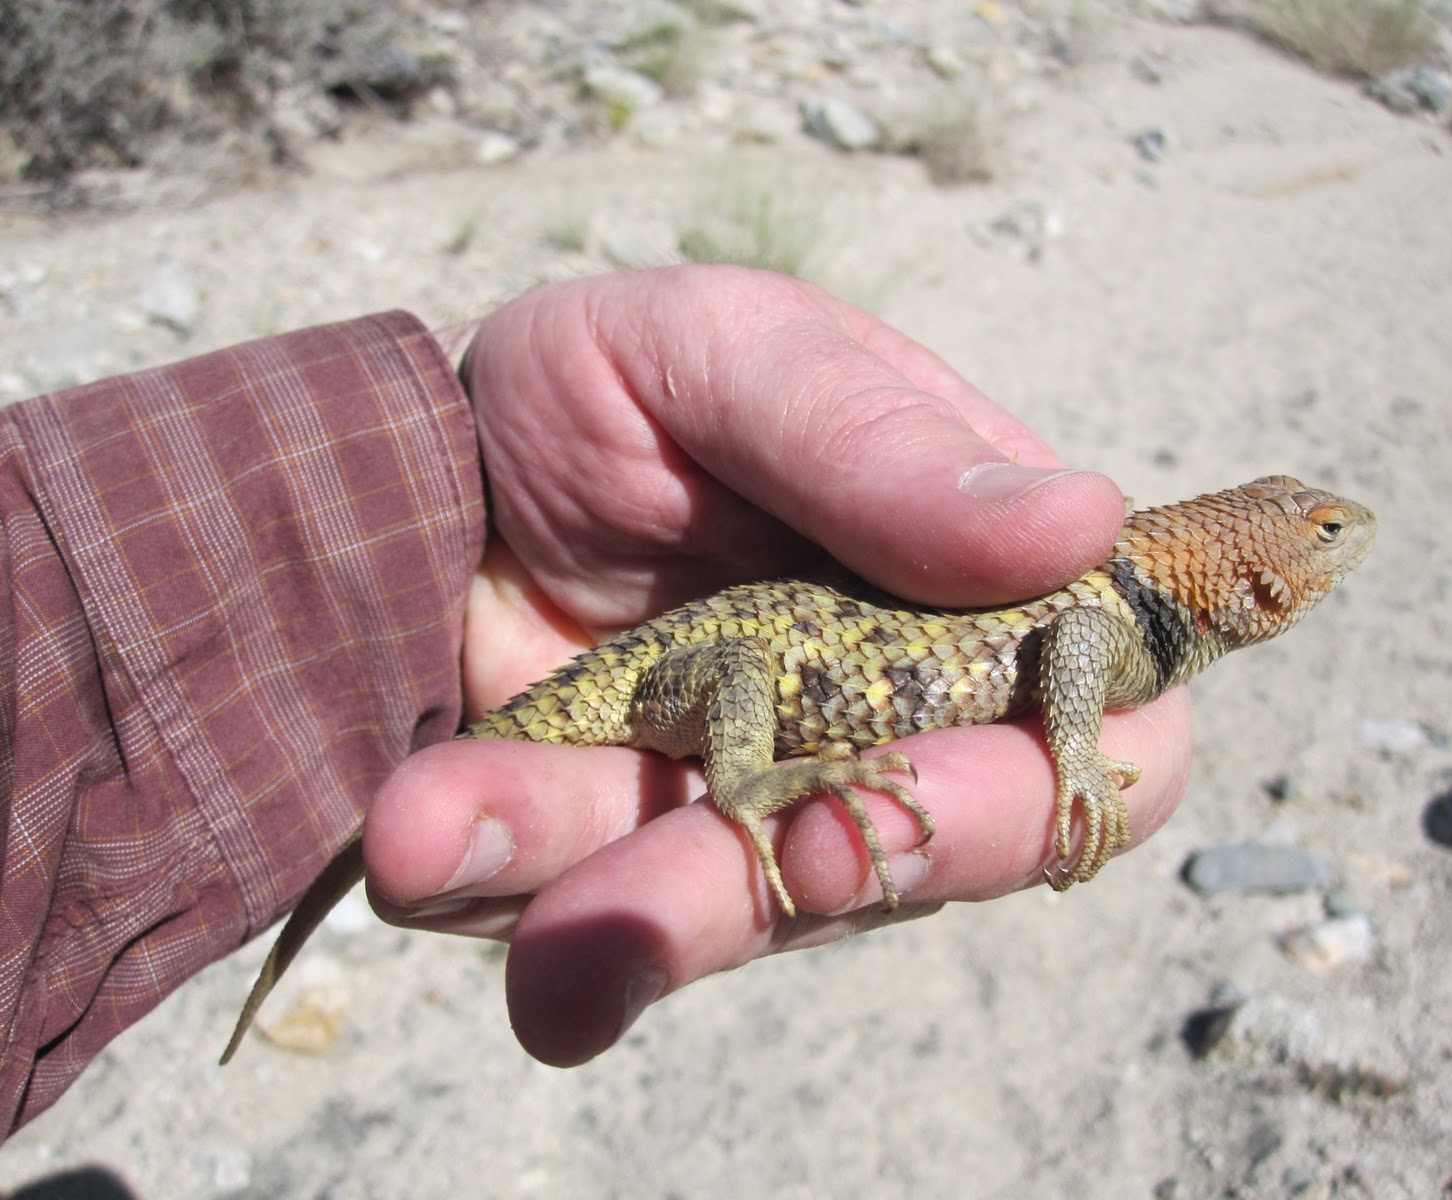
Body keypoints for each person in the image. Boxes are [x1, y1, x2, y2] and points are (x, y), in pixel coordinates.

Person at [0, 265, 1190, 1137]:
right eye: (1322, 539)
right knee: (743, 696)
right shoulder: (1103, 605)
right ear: (1251, 577)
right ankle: (745, 783)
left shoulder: (1146, 608)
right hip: (724, 665)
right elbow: (1073, 636)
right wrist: (1068, 754)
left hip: (758, 646)